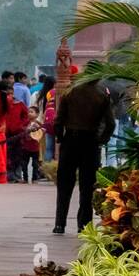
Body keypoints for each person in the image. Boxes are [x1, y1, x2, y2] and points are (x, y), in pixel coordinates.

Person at [53, 77, 115, 234]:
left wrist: (60, 137)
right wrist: (101, 140)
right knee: (87, 186)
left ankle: (60, 224)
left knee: (64, 185)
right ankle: (84, 225)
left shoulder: (70, 93)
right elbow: (110, 124)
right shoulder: (101, 95)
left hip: (70, 141)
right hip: (90, 142)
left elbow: (58, 121)